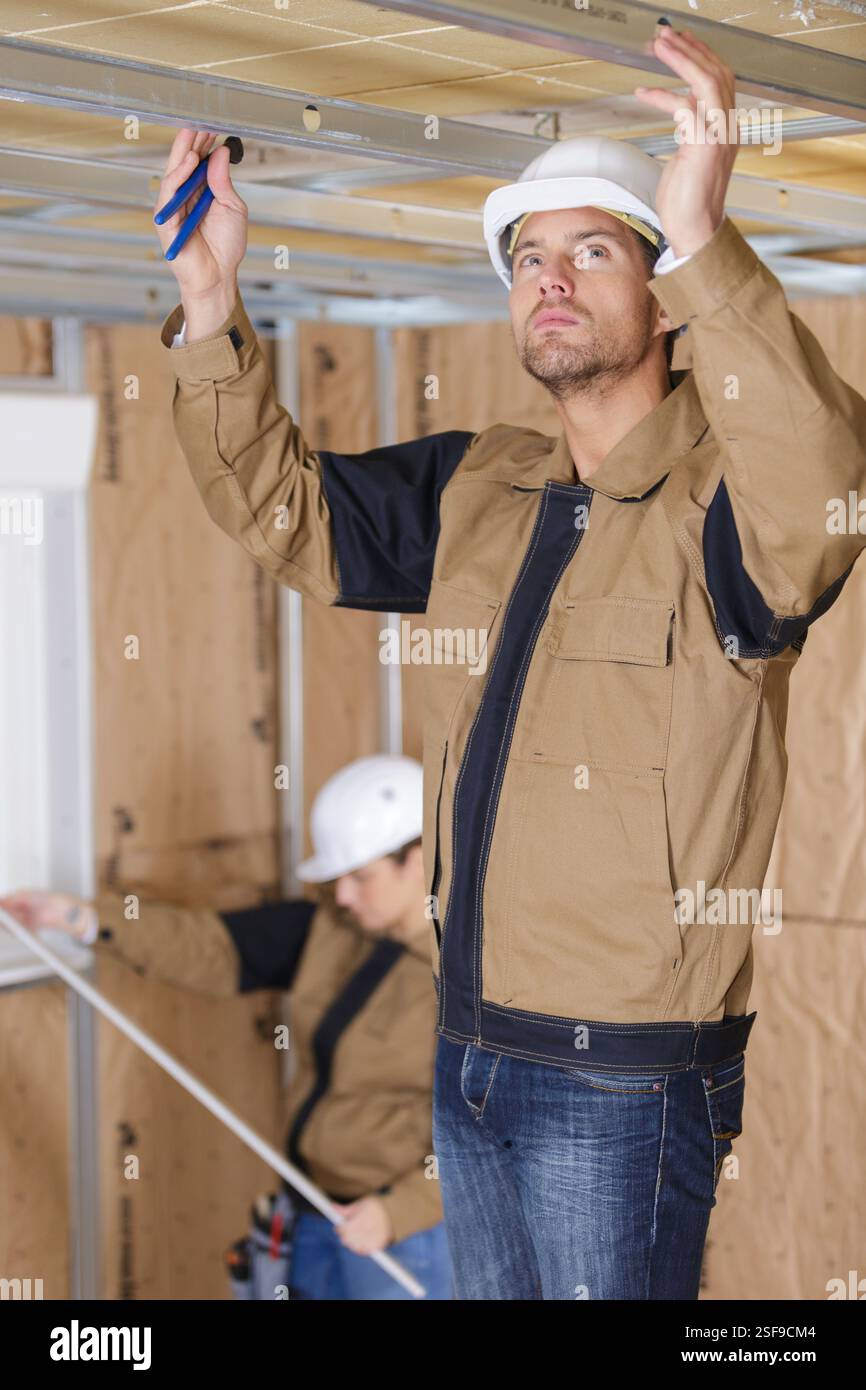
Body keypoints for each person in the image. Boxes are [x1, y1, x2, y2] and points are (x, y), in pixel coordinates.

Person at [149, 26, 866, 1299]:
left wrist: (705, 233)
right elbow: (292, 520)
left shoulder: (729, 500)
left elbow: (820, 492)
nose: (549, 279)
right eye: (526, 257)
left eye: (593, 250)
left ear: (660, 292)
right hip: (467, 1046)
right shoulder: (485, 482)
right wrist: (213, 314)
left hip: (629, 1073)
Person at [1, 755, 453, 1301]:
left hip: (406, 1236)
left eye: (360, 877)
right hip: (312, 1209)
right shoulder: (331, 930)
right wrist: (81, 919)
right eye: (338, 879)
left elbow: (492, 1136)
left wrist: (399, 1211)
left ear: (420, 857)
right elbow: (207, 948)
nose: (342, 895)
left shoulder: (473, 981)